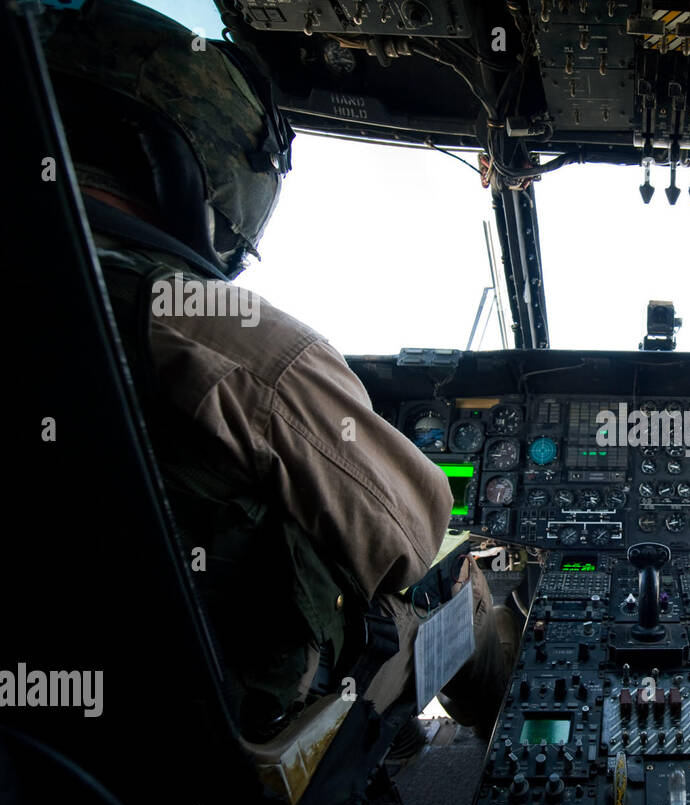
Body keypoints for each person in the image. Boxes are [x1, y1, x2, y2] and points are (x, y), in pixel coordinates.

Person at [40, 0, 515, 748]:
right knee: (449, 588)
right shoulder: (203, 322)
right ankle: (516, 741)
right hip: (226, 734)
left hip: (80, 763)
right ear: (192, 169)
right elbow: (412, 529)